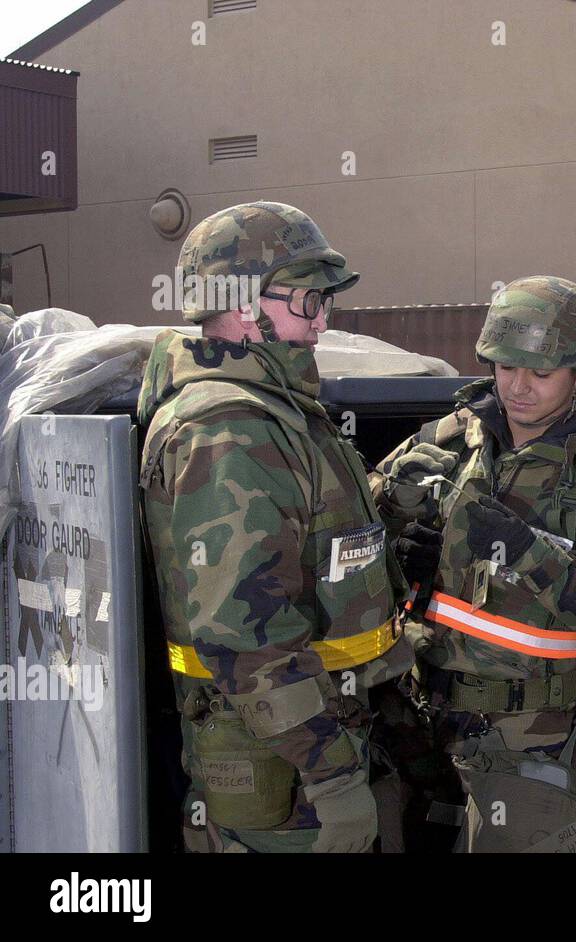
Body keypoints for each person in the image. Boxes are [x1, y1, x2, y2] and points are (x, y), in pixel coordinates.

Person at [138, 201, 412, 853]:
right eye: (306, 299)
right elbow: (246, 635)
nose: (322, 319)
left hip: (312, 751)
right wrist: (337, 781)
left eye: (324, 300)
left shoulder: (278, 412)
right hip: (285, 781)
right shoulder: (229, 428)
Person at [369, 275, 576, 851]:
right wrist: (395, 512)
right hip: (416, 724)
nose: (518, 387)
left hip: (524, 736)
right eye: (506, 367)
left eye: (540, 372)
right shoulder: (455, 437)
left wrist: (529, 552)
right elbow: (351, 537)